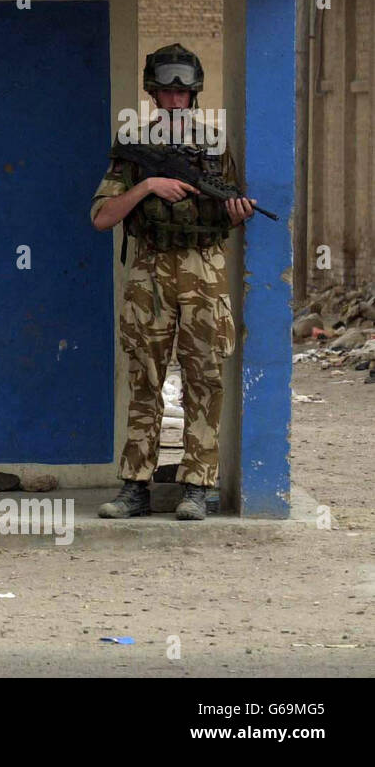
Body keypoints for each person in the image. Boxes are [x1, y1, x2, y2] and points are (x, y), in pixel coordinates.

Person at [89, 44, 255, 521]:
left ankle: (196, 487)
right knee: (145, 378)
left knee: (205, 380)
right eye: (167, 92)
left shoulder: (215, 148)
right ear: (153, 94)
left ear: (195, 95)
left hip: (204, 270)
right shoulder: (135, 149)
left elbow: (230, 209)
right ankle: (135, 487)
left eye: (183, 94)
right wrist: (147, 186)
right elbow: (101, 217)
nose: (176, 101)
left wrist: (237, 211)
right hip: (150, 273)